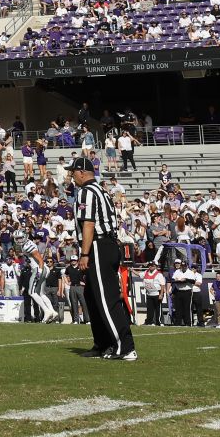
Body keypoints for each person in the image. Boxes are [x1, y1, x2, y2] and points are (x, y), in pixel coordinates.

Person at [70, 154, 135, 361]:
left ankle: (125, 346)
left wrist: (84, 253)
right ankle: (103, 343)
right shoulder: (102, 191)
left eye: (73, 172)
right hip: (107, 245)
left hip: (98, 245)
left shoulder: (86, 192)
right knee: (92, 296)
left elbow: (88, 224)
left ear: (82, 172)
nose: (72, 176)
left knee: (107, 299)